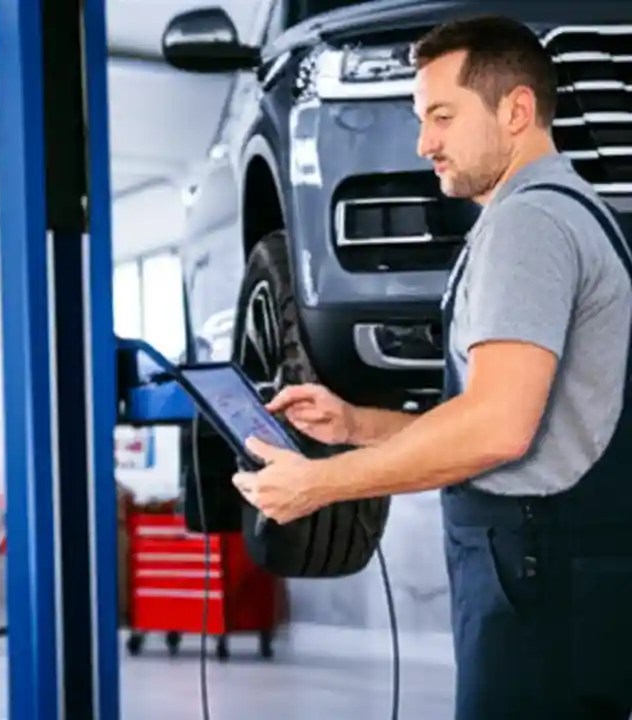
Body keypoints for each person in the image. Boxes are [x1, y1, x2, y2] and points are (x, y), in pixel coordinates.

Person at [230, 15, 632, 720]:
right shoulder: (569, 212)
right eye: (422, 119)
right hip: (558, 566)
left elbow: (497, 431)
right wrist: (356, 424)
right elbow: (510, 412)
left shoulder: (528, 225)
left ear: (516, 110)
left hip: (536, 575)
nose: (424, 143)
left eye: (442, 116)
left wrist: (320, 485)